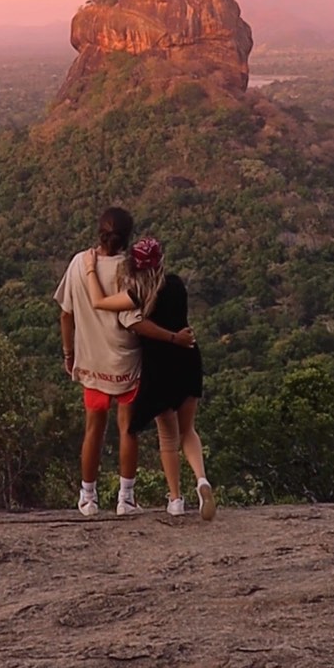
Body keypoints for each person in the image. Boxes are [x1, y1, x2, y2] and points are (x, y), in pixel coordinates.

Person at [54, 208, 194, 518]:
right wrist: (172, 338)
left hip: (91, 360)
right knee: (127, 430)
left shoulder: (80, 262)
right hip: (125, 362)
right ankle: (125, 498)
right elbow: (134, 321)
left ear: (99, 233)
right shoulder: (129, 271)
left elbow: (66, 313)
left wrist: (69, 353)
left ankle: (88, 498)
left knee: (93, 429)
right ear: (128, 237)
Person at [85, 236, 216, 521]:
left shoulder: (138, 295)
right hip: (189, 358)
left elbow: (99, 302)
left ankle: (176, 500)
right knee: (188, 431)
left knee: (168, 437)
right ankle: (202, 480)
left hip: (160, 369)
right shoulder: (177, 285)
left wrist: (90, 269)